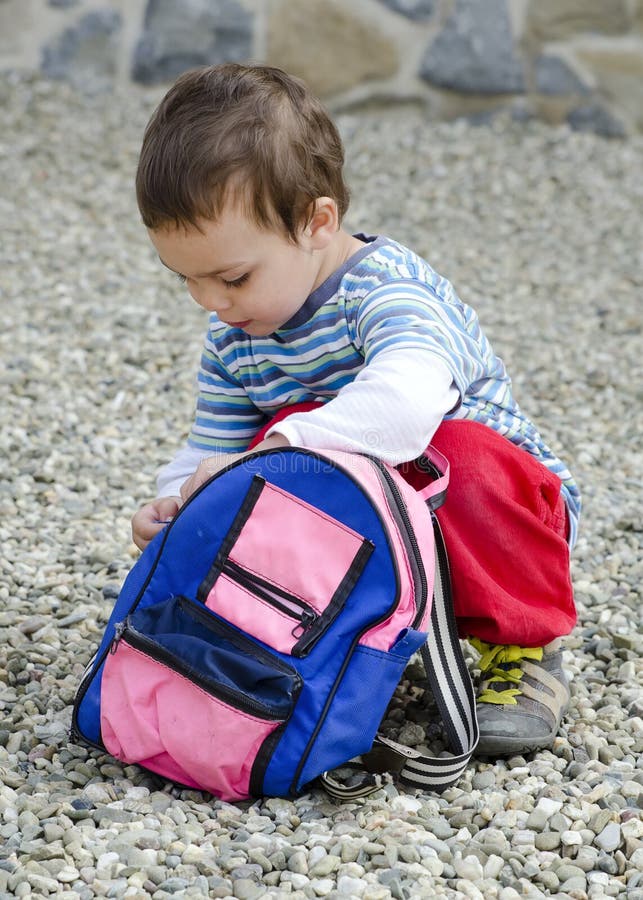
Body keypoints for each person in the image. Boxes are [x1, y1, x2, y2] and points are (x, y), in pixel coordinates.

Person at [130, 63, 580, 758]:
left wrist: (270, 453)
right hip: (383, 521)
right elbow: (207, 445)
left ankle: (520, 647)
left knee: (444, 455)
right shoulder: (236, 335)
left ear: (317, 222)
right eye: (185, 279)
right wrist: (176, 499)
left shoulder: (387, 292)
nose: (209, 302)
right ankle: (338, 641)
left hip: (498, 517)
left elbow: (401, 408)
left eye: (231, 276)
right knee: (246, 484)